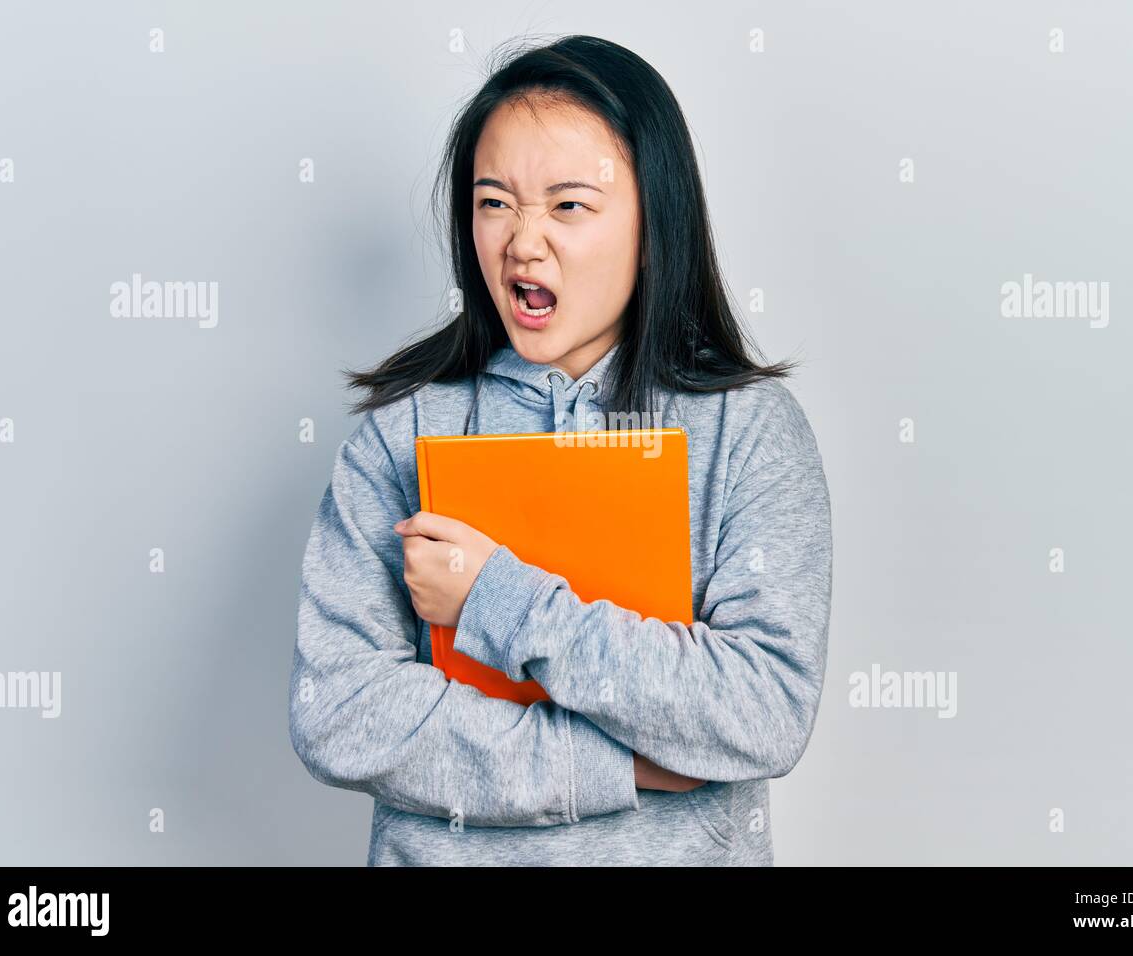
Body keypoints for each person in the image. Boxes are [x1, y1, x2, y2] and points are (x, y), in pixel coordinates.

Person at [288, 34, 833, 866]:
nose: (521, 242)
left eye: (569, 205)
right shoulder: (404, 431)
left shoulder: (748, 430)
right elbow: (340, 711)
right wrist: (619, 763)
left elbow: (762, 713)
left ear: (655, 223)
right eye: (494, 201)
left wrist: (495, 599)